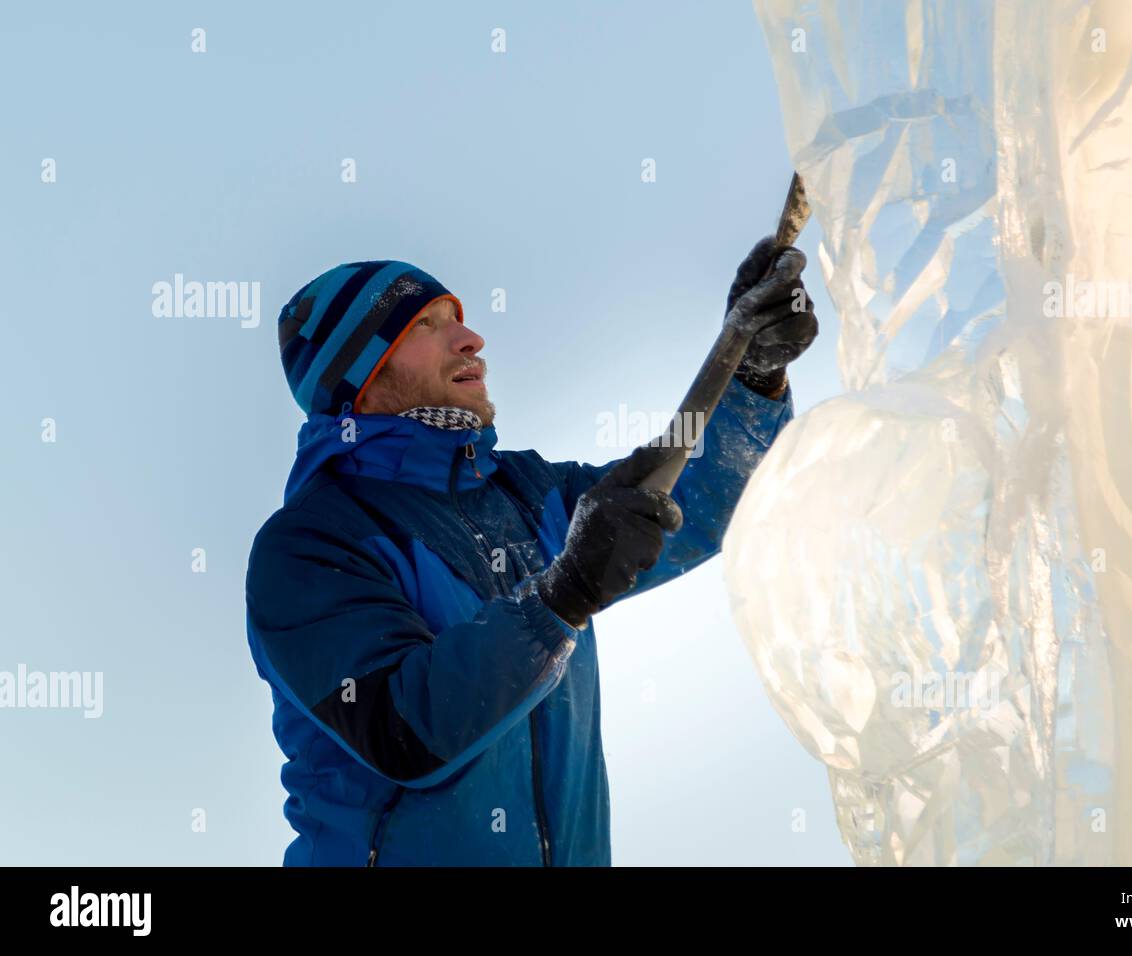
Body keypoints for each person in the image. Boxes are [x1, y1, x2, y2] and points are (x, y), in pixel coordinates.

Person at [245, 237, 817, 865]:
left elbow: (696, 500)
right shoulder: (308, 546)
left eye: (456, 317)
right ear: (360, 374)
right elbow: (403, 728)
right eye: (425, 325)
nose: (470, 339)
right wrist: (560, 597)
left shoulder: (527, 493)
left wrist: (754, 374)